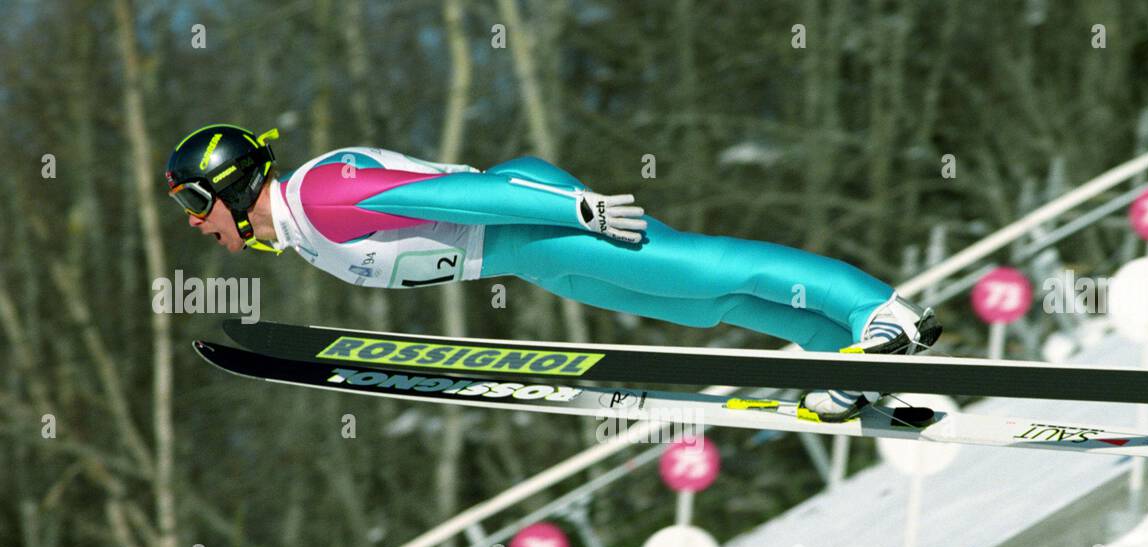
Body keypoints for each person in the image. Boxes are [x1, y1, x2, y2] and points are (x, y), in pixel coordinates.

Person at [165, 123, 939, 420]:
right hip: (526, 256)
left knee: (690, 269)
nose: (197, 223)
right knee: (700, 311)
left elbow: (448, 193)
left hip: (532, 220)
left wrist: (575, 209)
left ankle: (882, 314)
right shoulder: (303, 230)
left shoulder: (320, 194)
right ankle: (841, 357)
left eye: (197, 204)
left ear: (232, 183)